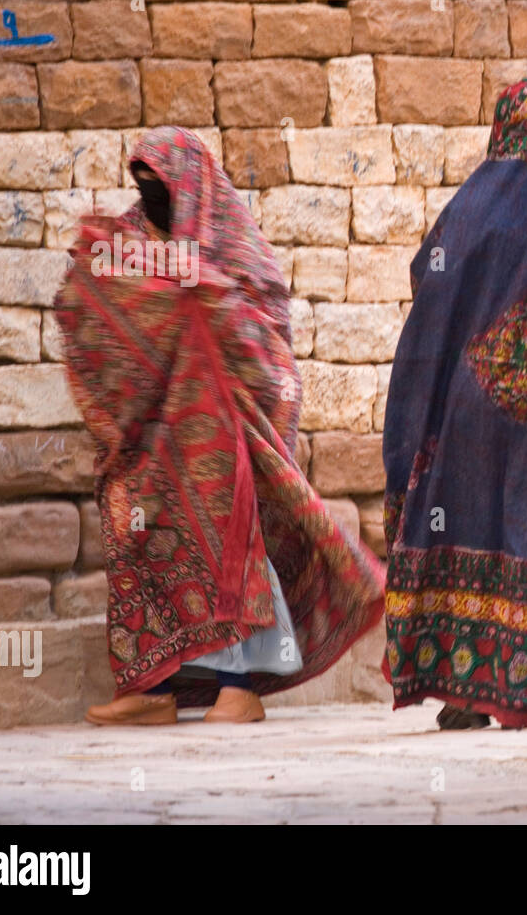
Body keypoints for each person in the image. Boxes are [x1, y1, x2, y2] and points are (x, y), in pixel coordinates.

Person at [55, 126, 385, 726]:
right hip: (150, 437)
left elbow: (264, 339)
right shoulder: (129, 239)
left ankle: (239, 688)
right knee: (134, 534)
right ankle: (151, 688)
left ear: (193, 183)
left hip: (222, 433)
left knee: (220, 535)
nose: (149, 194)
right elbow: (102, 312)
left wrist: (202, 299)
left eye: (161, 183)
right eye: (141, 182)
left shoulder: (230, 245)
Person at [380, 78, 527, 730]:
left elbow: (425, 272)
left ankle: (464, 689)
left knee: (467, 524)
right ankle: (518, 691)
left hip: (470, 400)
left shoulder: (478, 195)